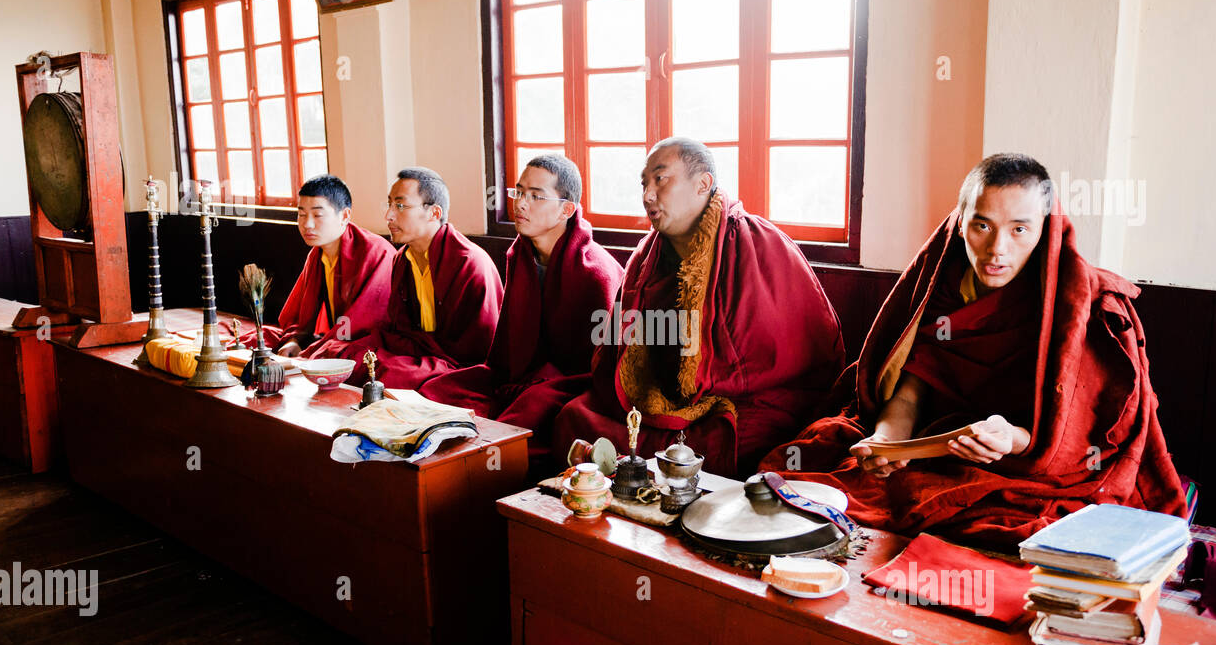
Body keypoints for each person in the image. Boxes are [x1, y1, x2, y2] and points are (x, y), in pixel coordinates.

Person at [760, 153, 1188, 546]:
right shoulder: (945, 288)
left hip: (1025, 460)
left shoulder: (1080, 306)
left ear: (1046, 229)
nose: (997, 249)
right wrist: (887, 441)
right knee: (799, 477)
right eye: (983, 225)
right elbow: (912, 390)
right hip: (940, 445)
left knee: (999, 529)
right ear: (960, 221)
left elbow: (1081, 437)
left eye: (1020, 229)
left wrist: (1014, 440)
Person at [553, 137, 845, 478]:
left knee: (731, 443)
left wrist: (707, 389)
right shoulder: (647, 256)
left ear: (703, 184)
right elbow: (619, 345)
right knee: (574, 417)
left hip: (741, 401)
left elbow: (795, 358)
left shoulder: (757, 242)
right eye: (644, 183)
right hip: (661, 401)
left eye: (660, 179)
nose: (647, 195)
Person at [420, 154, 622, 465]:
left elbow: (598, 368)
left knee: (522, 413)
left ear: (567, 209)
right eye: (519, 192)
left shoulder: (595, 271)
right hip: (524, 375)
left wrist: (540, 381)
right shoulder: (521, 255)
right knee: (436, 389)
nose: (521, 204)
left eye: (536, 196)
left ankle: (470, 476)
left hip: (572, 383)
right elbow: (507, 350)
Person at [330, 167, 503, 388]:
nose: (389, 215)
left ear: (434, 213)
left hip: (457, 367)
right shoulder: (402, 259)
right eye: (389, 204)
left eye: (400, 206)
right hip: (418, 356)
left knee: (387, 374)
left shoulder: (469, 263)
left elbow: (478, 351)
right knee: (347, 354)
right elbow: (400, 330)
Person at [257, 173, 395, 359]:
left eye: (318, 215)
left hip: (367, 342)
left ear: (344, 216)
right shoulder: (317, 253)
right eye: (302, 215)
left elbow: (362, 327)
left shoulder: (376, 253)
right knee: (262, 337)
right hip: (336, 339)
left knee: (347, 355)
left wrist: (314, 350)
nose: (307, 224)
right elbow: (301, 318)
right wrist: (295, 340)